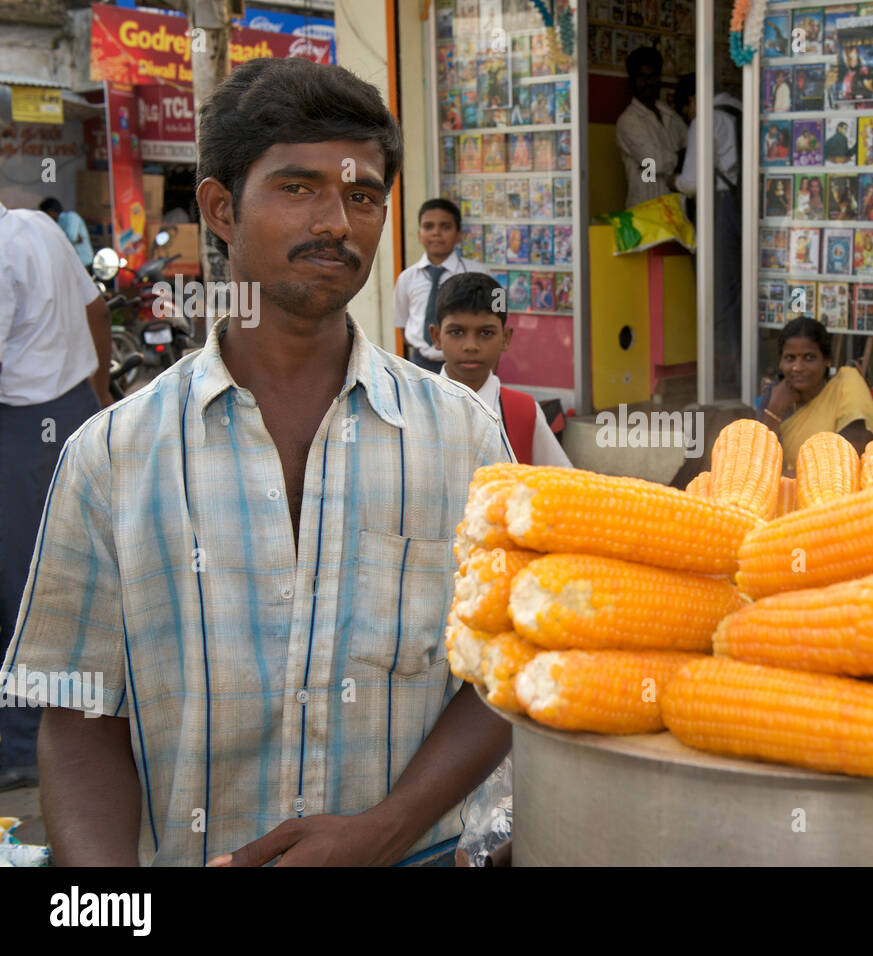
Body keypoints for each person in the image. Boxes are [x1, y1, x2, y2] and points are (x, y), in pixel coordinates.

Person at [2, 57, 514, 867]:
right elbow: (79, 710)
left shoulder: (466, 439)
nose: (337, 223)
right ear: (219, 209)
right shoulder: (110, 456)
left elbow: (499, 673)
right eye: (297, 188)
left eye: (362, 195)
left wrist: (385, 829)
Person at [0, 200, 112, 791]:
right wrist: (95, 402)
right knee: (70, 575)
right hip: (71, 409)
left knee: (19, 587)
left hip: (20, 428)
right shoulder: (38, 225)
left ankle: (23, 744)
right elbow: (97, 313)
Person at [431, 273, 570, 467]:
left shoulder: (523, 411)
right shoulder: (415, 406)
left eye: (486, 333)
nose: (471, 346)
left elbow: (560, 481)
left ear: (505, 338)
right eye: (457, 332)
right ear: (436, 337)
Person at [667, 73, 743, 394]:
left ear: (692, 101)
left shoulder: (705, 120)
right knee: (741, 292)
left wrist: (673, 182)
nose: (689, 117)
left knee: (719, 294)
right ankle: (744, 366)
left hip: (720, 210)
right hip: (744, 208)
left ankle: (728, 377)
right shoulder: (740, 110)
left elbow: (695, 182)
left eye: (686, 110)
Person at [757, 317, 873, 472]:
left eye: (809, 357)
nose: (797, 367)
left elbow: (852, 459)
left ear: (827, 360)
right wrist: (774, 411)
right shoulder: (774, 395)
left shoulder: (847, 386)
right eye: (790, 358)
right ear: (781, 363)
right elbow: (757, 462)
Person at [395, 198, 491, 373]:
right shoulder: (406, 278)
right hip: (419, 364)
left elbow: (498, 314)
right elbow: (402, 325)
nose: (436, 233)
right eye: (428, 226)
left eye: (445, 227)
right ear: (419, 233)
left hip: (466, 363)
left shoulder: (482, 274)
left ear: (458, 235)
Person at [615, 46, 688, 208]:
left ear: (659, 78)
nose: (648, 83)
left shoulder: (670, 115)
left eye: (653, 76)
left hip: (674, 208)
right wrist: (679, 157)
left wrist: (663, 162)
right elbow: (654, 161)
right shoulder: (628, 121)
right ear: (632, 81)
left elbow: (692, 150)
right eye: (642, 77)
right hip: (645, 208)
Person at [38, 197, 94, 268]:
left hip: (84, 264)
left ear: (50, 212)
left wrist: (60, 240)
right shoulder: (56, 224)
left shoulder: (71, 217)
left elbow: (71, 238)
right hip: (71, 265)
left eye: (45, 215)